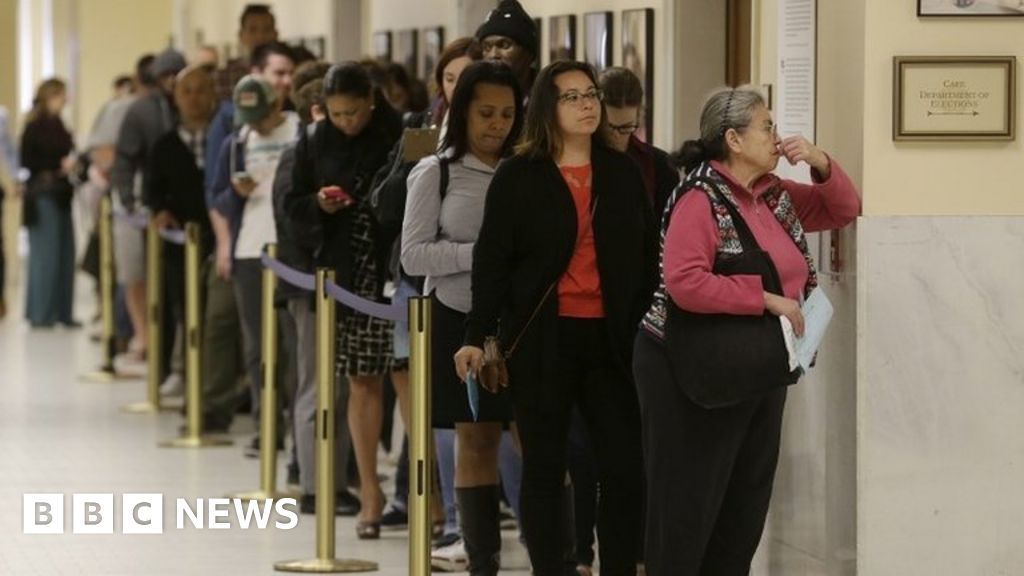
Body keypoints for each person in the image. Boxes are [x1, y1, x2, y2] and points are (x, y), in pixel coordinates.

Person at [633, 85, 860, 575]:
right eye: (766, 126)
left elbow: (843, 208)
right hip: (689, 369)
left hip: (758, 365)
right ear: (733, 139)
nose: (777, 137)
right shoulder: (699, 197)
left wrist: (820, 162)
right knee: (688, 508)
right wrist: (764, 298)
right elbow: (685, 282)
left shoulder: (775, 196)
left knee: (743, 509)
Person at [454, 60, 657, 576]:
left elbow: (646, 257)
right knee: (545, 467)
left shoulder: (621, 173)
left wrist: (645, 328)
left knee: (623, 467)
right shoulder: (520, 175)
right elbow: (492, 260)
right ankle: (553, 567)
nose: (587, 104)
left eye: (591, 94)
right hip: (544, 338)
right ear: (548, 106)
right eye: (572, 97)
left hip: (611, 339)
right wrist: (478, 334)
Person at [402, 61, 523, 576]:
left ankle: (565, 556)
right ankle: (482, 560)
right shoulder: (436, 171)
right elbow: (414, 256)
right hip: (457, 319)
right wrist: (483, 254)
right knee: (475, 438)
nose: (497, 125)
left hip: (523, 323)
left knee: (538, 438)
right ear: (461, 111)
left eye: (507, 114)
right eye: (486, 113)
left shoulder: (528, 170)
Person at [284, 62, 403, 539]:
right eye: (336, 114)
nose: (346, 122)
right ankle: (369, 489)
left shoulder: (398, 130)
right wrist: (319, 203)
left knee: (409, 384)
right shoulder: (315, 141)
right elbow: (291, 203)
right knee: (361, 380)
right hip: (345, 269)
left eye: (353, 112)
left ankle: (423, 493)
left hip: (390, 262)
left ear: (371, 102)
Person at [272, 61, 360, 515]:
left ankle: (333, 476)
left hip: (330, 285)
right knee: (316, 385)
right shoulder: (299, 155)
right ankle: (314, 482)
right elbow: (292, 219)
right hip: (310, 286)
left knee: (338, 387)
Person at [209, 74, 298, 451]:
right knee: (258, 347)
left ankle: (300, 432)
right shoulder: (238, 142)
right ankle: (267, 425)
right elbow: (218, 198)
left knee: (293, 346)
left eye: (261, 116)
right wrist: (236, 192)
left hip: (291, 251)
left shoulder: (299, 132)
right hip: (250, 249)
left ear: (277, 104)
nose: (256, 125)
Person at [145, 65, 219, 415]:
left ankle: (216, 391)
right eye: (186, 91)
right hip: (180, 247)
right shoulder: (164, 146)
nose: (194, 98)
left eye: (201, 90)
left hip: (220, 243)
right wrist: (159, 210)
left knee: (216, 318)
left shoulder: (226, 137)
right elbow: (152, 191)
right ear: (175, 98)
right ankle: (187, 383)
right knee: (185, 312)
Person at [111, 48, 185, 369]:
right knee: (156, 289)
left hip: (187, 211)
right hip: (153, 210)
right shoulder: (141, 111)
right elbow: (124, 160)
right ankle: (162, 361)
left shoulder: (191, 105)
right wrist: (129, 201)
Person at [20, 78, 78, 328]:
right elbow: (28, 160)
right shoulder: (35, 127)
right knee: (46, 256)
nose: (64, 100)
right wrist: (56, 166)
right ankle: (42, 313)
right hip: (44, 195)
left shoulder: (59, 125)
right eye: (61, 95)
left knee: (65, 254)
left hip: (62, 195)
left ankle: (62, 311)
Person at [213, 3, 278, 102]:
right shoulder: (225, 75)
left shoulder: (285, 73)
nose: (260, 36)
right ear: (241, 35)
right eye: (253, 30)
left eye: (267, 29)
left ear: (275, 34)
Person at [475, 0, 538, 96]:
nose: (493, 55)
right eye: (487, 47)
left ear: (528, 53)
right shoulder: (476, 96)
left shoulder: (547, 97)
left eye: (504, 45)